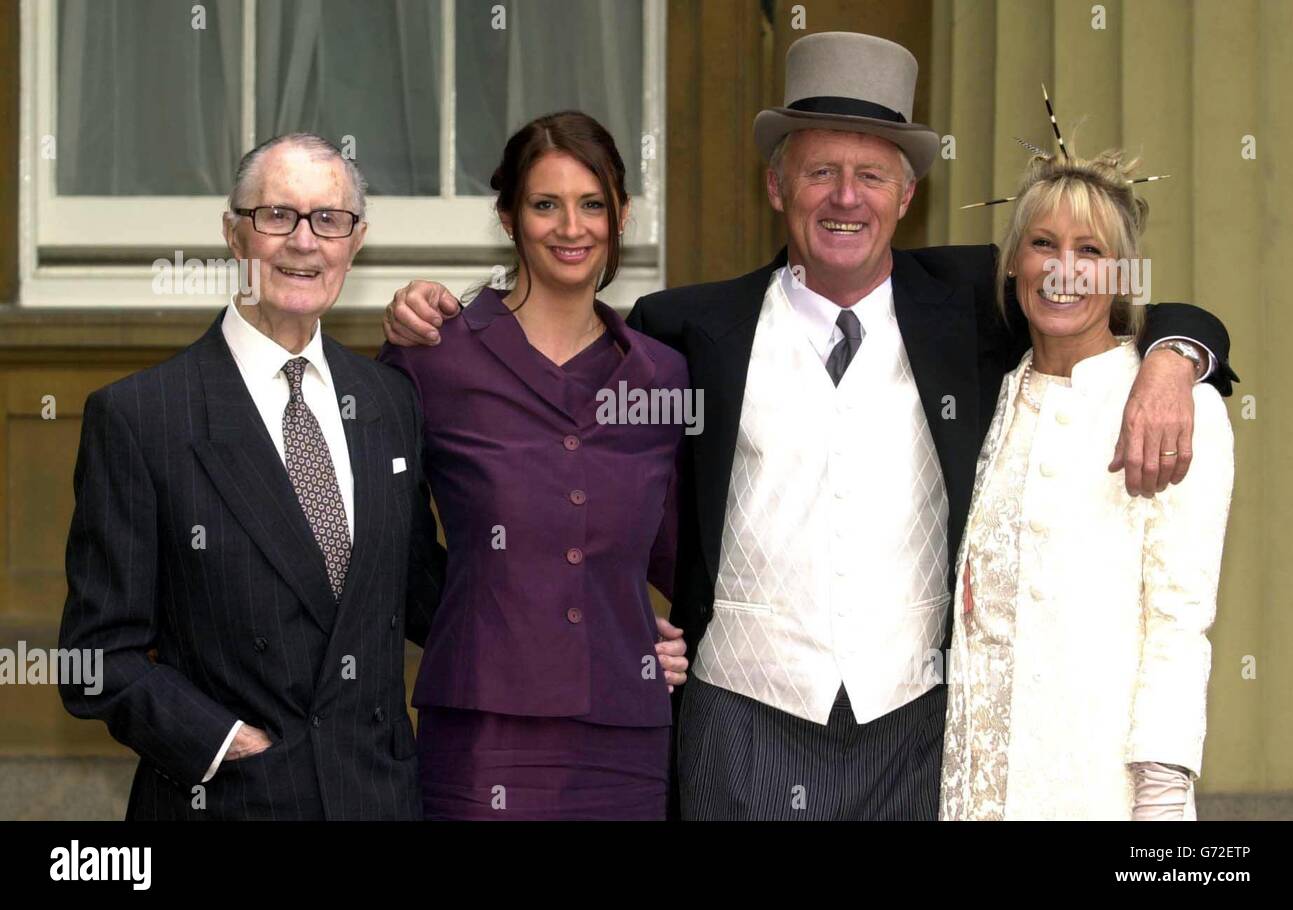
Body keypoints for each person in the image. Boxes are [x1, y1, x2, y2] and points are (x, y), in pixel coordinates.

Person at [382, 33, 1237, 820]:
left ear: (907, 195)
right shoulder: (682, 330)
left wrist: (1178, 355)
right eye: (821, 171)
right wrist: (444, 309)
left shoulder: (972, 310)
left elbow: (1092, 292)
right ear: (776, 185)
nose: (844, 198)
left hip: (915, 730)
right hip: (737, 722)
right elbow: (565, 450)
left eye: (871, 177)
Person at [59, 133, 445, 819]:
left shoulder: (389, 402)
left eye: (330, 219)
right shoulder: (140, 417)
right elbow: (95, 657)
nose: (305, 241)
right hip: (228, 800)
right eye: (277, 216)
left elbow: (427, 595)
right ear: (235, 235)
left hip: (377, 797)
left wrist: (604, 623)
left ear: (356, 243)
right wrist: (221, 743)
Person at [378, 111, 691, 820]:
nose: (570, 228)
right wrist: (475, 618)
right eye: (545, 204)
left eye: (592, 205)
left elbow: (686, 555)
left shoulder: (662, 377)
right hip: (483, 731)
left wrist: (679, 636)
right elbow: (386, 539)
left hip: (626, 737)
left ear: (621, 218)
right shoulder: (436, 353)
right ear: (510, 218)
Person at [939, 147, 1233, 820]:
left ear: (1125, 274)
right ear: (1014, 261)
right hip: (972, 783)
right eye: (1044, 243)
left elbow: (1179, 619)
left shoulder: (1173, 406)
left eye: (1091, 250)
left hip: (1099, 785)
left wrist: (1162, 789)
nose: (1063, 268)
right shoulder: (988, 393)